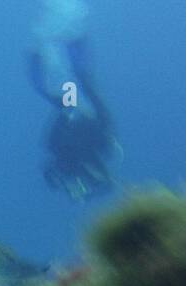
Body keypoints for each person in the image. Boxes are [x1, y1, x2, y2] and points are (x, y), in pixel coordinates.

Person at [29, 36, 120, 201]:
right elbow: (106, 182)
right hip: (99, 124)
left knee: (79, 86)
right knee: (84, 82)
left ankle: (63, 48)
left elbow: (64, 114)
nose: (64, 174)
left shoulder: (55, 146)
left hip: (94, 124)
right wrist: (87, 194)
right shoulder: (70, 157)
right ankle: (72, 44)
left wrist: (67, 107)